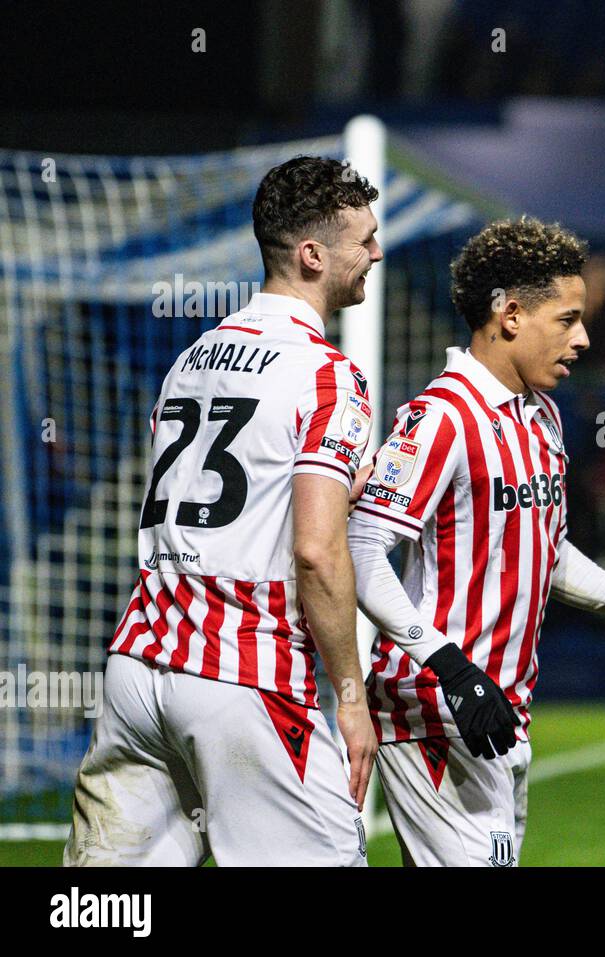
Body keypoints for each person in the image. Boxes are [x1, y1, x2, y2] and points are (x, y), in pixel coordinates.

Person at [348, 217, 605, 866]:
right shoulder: (441, 417)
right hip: (435, 705)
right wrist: (449, 665)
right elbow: (364, 551)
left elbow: (546, 547)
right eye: (568, 319)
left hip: (500, 707)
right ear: (510, 314)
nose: (584, 338)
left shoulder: (539, 416)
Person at [65, 156, 384, 866]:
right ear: (311, 255)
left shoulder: (193, 356)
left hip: (139, 665)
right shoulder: (329, 374)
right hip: (244, 672)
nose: (376, 253)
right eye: (363, 239)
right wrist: (352, 697)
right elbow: (315, 552)